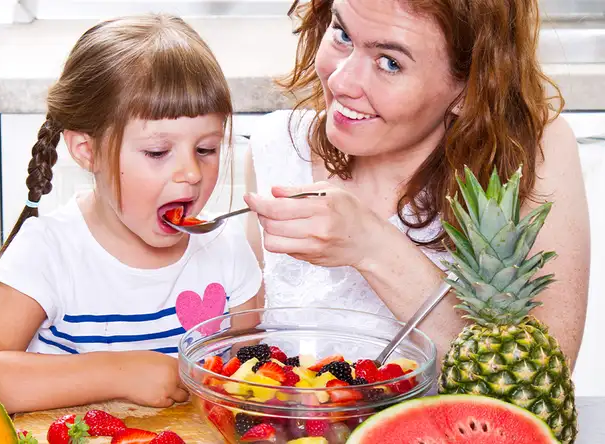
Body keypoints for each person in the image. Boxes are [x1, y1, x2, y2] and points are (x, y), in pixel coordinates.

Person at [243, 0, 590, 368]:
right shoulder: (275, 146)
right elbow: (240, 348)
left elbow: (540, 378)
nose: (340, 81)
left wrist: (373, 247)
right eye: (343, 35)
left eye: (390, 62)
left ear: (469, 90)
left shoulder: (534, 153)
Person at [0, 14, 263, 414]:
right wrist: (118, 373)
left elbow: (253, 377)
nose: (190, 173)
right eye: (157, 152)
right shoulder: (49, 251)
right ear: (87, 150)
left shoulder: (227, 250)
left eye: (206, 149)